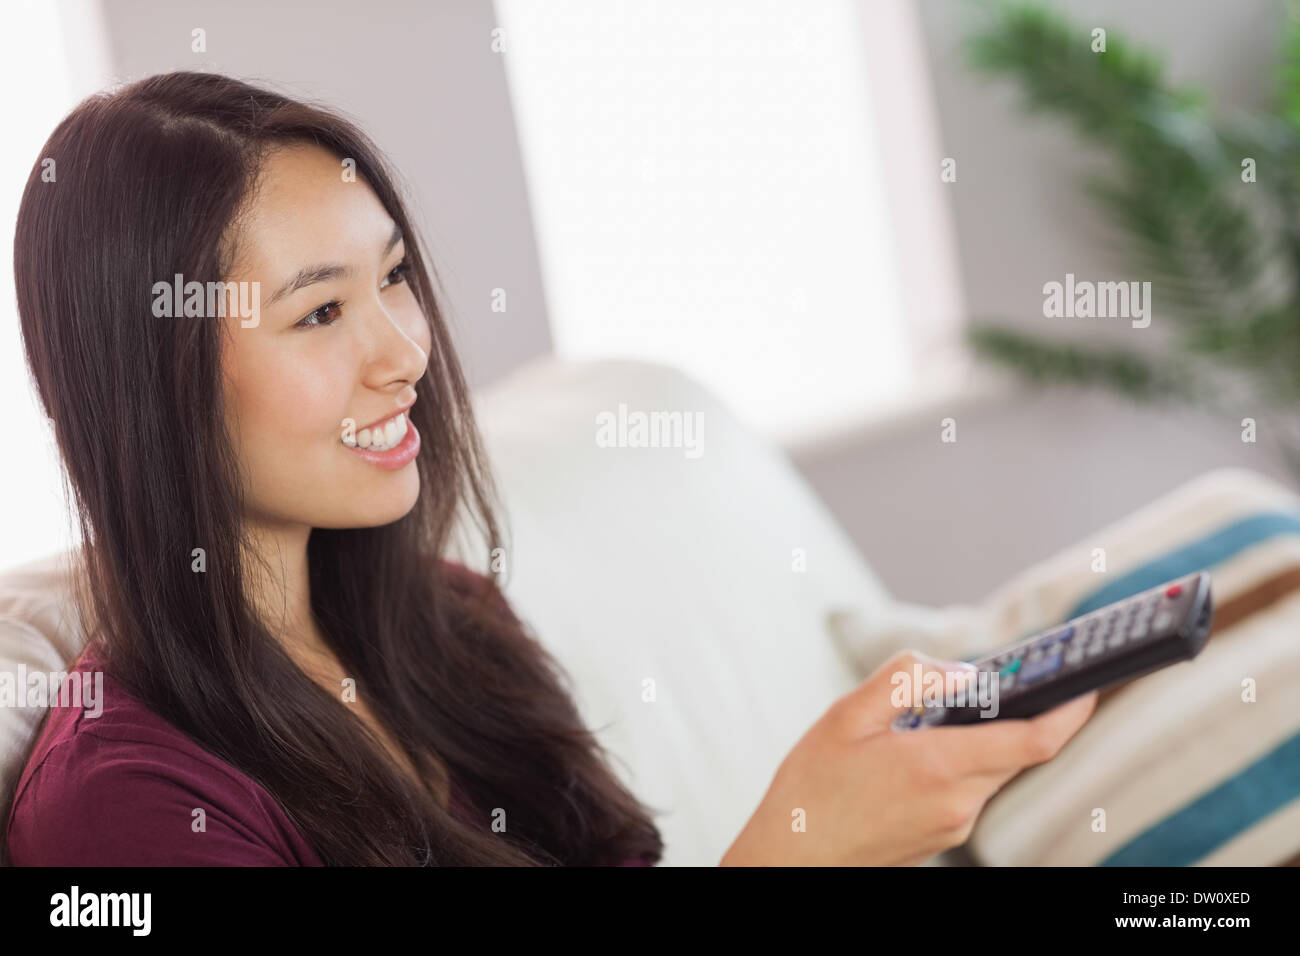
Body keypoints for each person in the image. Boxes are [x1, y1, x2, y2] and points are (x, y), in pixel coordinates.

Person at [1, 72, 1095, 867]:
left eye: (395, 278)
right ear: (154, 382)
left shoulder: (449, 623)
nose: (405, 351)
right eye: (321, 310)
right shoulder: (125, 812)